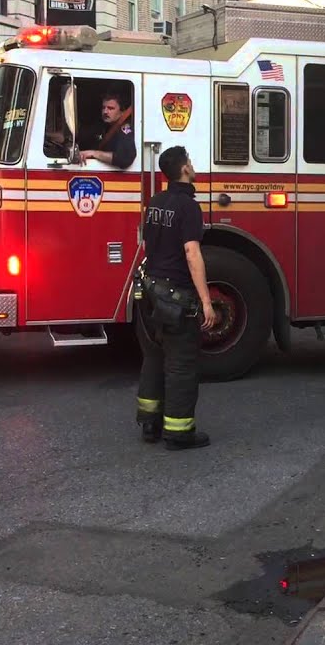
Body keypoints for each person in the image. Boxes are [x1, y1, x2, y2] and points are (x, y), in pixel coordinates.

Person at [134, 146, 217, 450]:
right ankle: (179, 433)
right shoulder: (188, 207)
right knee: (181, 363)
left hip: (149, 294)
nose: (194, 166)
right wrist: (206, 301)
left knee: (154, 358)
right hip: (175, 298)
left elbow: (147, 243)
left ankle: (149, 424)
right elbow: (191, 253)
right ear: (184, 169)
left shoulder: (155, 202)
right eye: (191, 162)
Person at [51, 92, 137, 169]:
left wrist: (94, 153)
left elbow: (125, 158)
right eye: (103, 108)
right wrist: (47, 136)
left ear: (122, 112)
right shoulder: (101, 127)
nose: (105, 112)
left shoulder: (125, 129)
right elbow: (71, 136)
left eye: (111, 108)